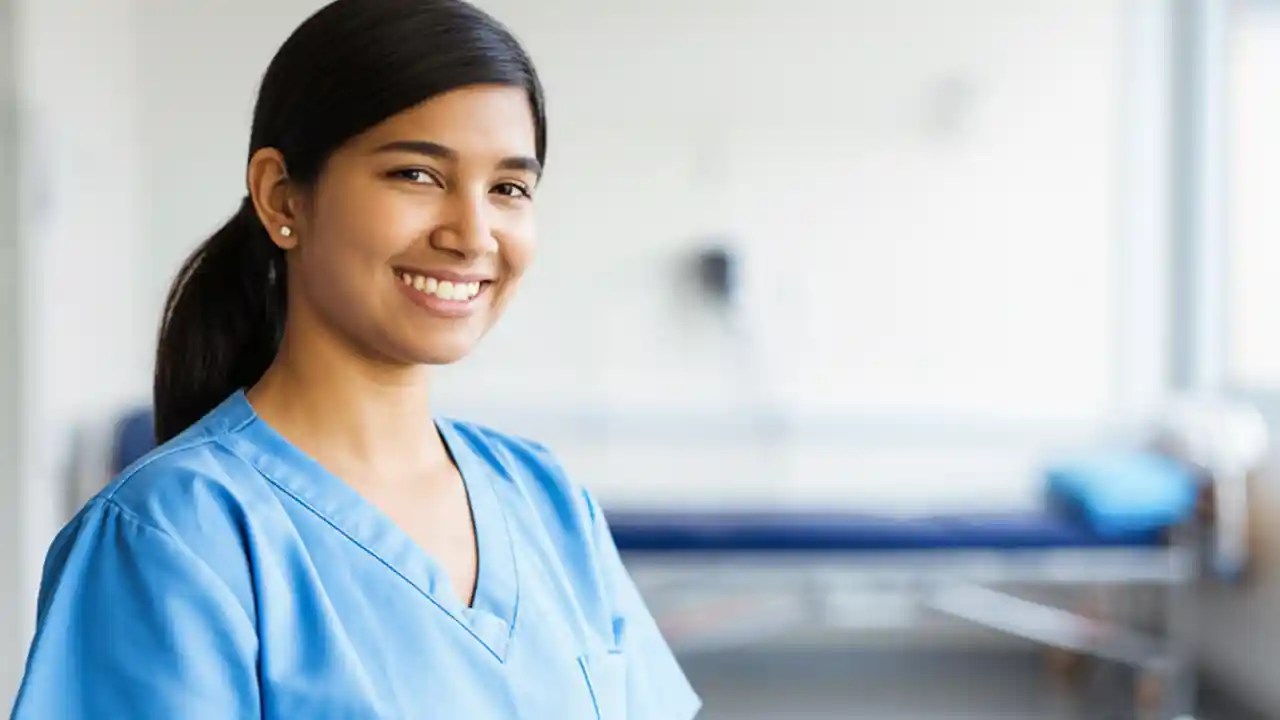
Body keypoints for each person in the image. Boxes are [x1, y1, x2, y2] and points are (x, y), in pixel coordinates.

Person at [10, 1, 700, 717]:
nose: (472, 234)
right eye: (417, 175)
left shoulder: (548, 503)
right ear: (282, 195)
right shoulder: (176, 534)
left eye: (508, 189)